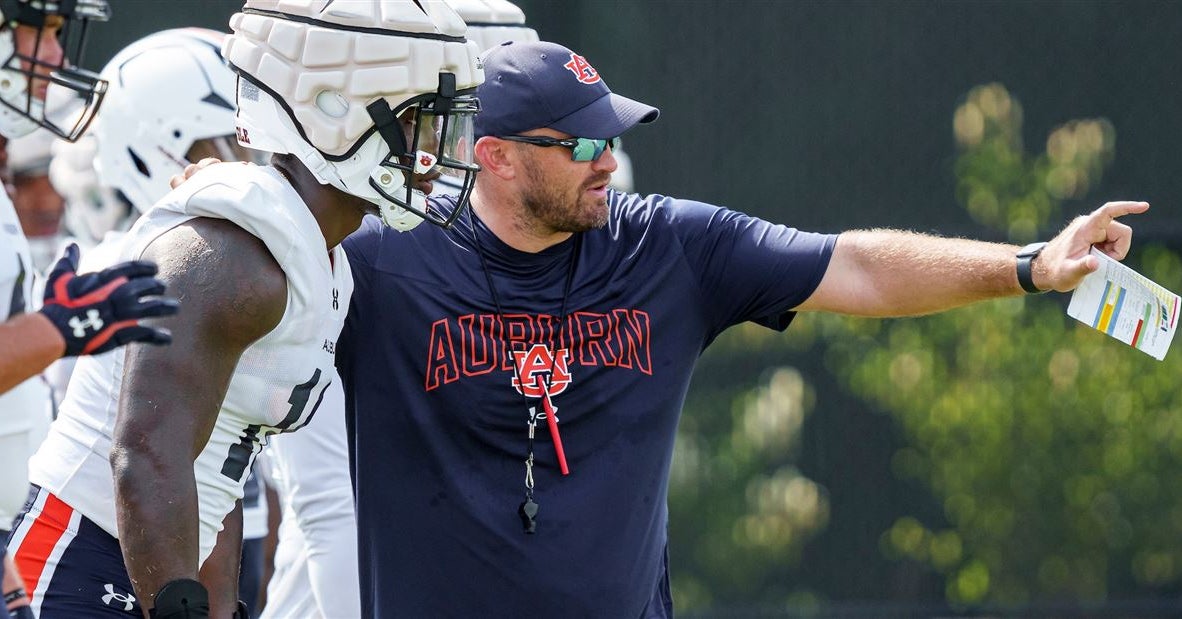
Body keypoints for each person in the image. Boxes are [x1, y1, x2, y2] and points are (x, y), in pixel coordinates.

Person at [333, 39, 1148, 617]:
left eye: (612, 136)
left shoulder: (668, 247)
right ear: (498, 157)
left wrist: (1031, 264)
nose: (608, 161)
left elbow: (855, 265)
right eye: (581, 142)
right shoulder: (382, 264)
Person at [7, 1, 483, 617]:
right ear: (335, 113)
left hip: (146, 559)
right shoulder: (235, 255)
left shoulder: (314, 250)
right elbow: (148, 457)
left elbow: (214, 472)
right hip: (83, 560)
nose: (437, 150)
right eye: (419, 120)